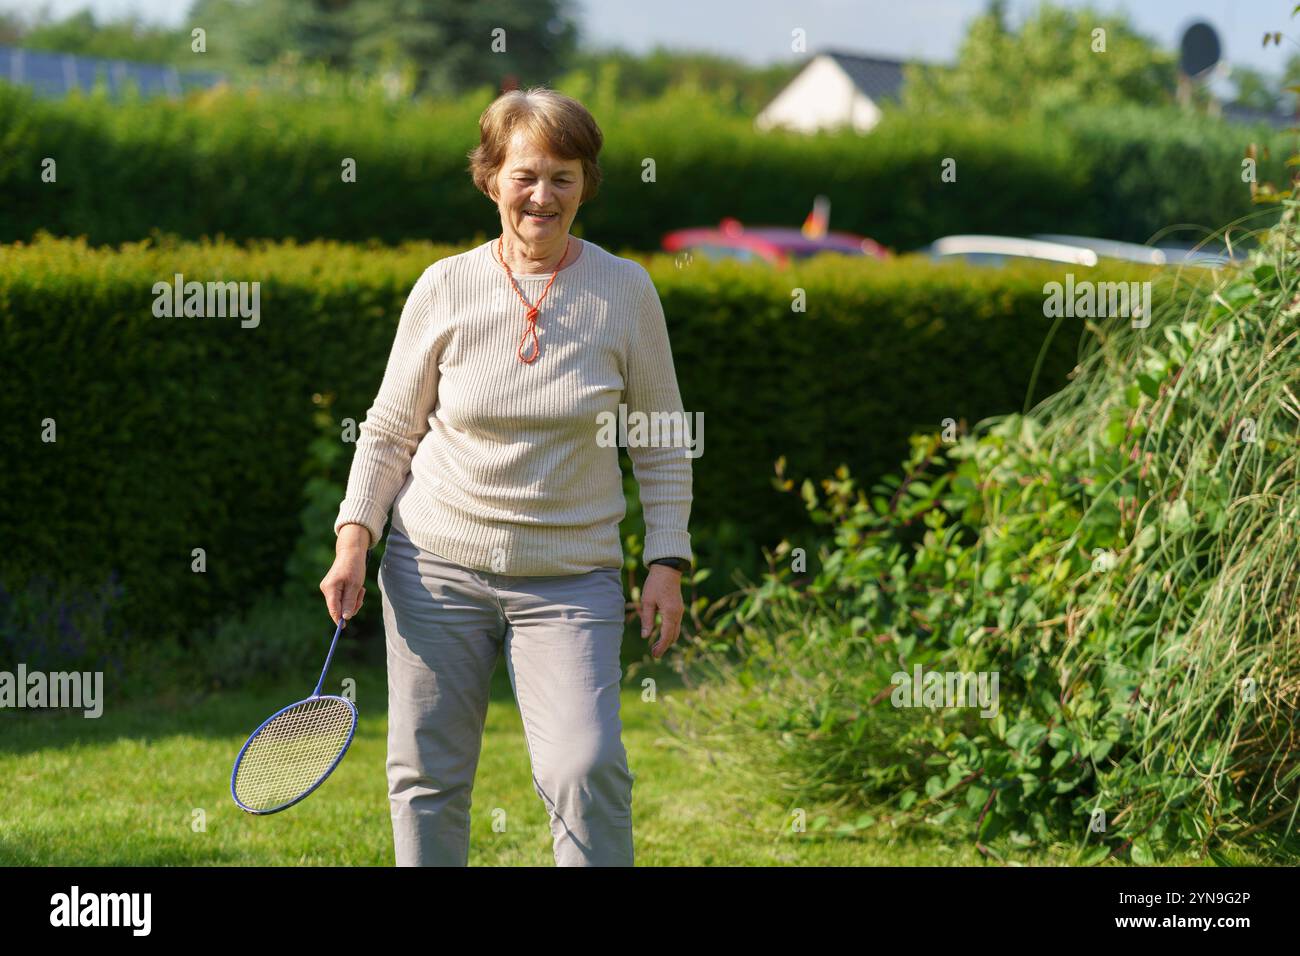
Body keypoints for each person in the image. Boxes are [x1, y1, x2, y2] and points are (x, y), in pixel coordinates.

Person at [319, 86, 693, 866]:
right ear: (491, 178)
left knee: (584, 766)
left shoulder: (626, 291)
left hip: (570, 575)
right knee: (426, 776)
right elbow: (389, 430)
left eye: (564, 175)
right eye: (526, 174)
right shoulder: (445, 286)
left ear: (587, 183)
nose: (543, 195)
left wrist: (666, 559)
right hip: (435, 566)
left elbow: (658, 439)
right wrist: (355, 538)